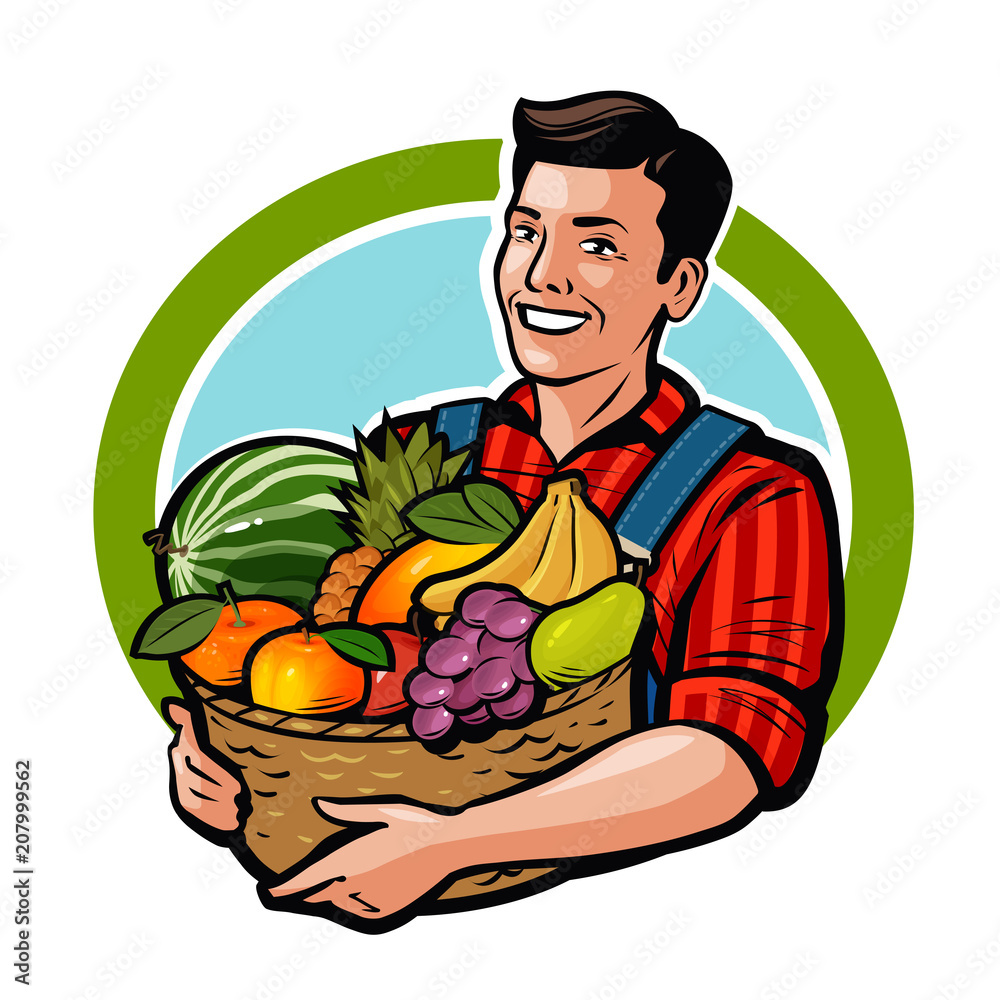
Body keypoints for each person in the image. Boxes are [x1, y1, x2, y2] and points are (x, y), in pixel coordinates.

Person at [166, 91, 843, 926]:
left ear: (679, 284)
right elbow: (298, 660)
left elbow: (731, 756)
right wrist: (224, 771)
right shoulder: (417, 453)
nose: (543, 273)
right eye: (528, 231)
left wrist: (451, 843)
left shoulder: (751, 491)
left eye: (597, 245)